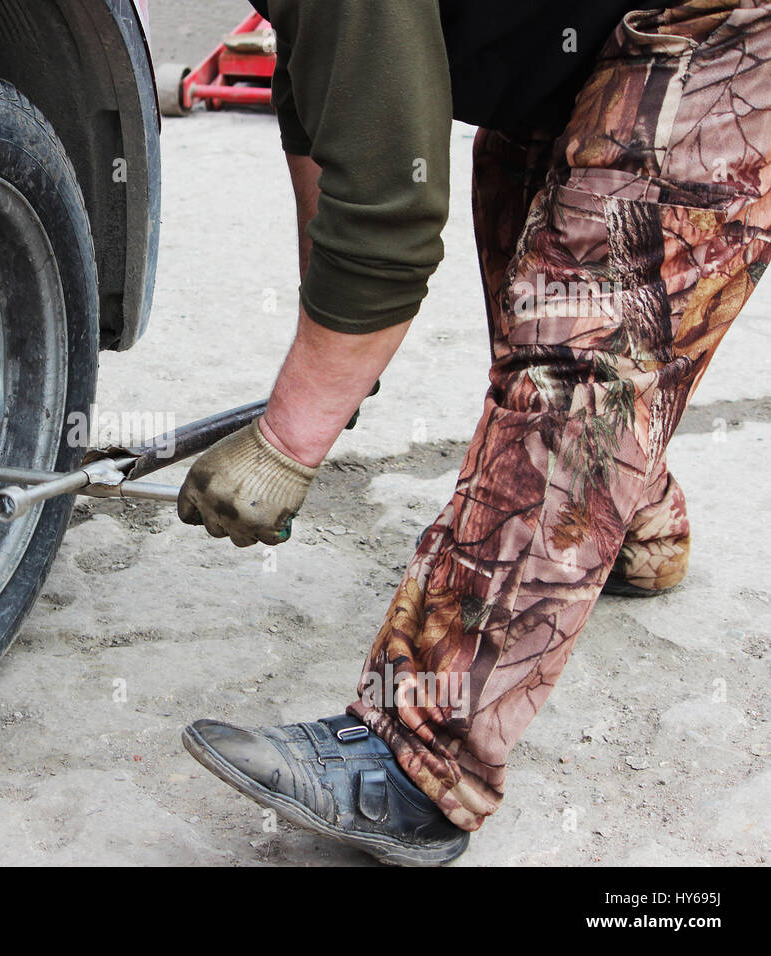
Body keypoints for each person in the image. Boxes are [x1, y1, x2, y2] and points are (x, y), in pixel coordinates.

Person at [178, 0, 771, 865]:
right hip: (582, 43)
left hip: (723, 26)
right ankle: (634, 528)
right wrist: (335, 356)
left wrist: (287, 442)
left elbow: (390, 220)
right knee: (526, 237)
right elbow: (327, 114)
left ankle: (418, 762)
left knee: (583, 336)